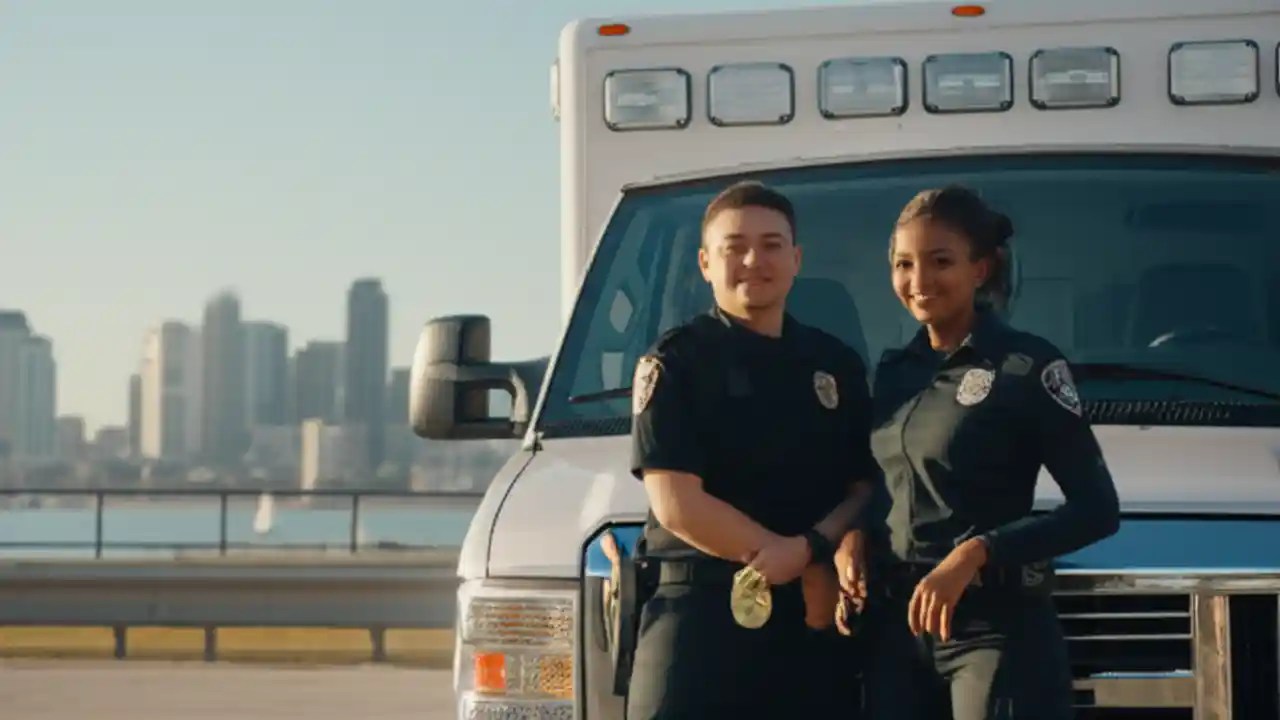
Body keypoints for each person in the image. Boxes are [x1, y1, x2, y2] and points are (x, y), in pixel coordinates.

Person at [838, 185, 1121, 719]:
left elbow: (1097, 509)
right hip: (898, 630)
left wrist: (976, 552)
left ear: (981, 269)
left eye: (940, 261)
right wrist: (855, 537)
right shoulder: (896, 372)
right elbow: (889, 487)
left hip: (995, 631)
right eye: (904, 264)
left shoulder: (1026, 366)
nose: (918, 282)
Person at [626, 180, 876, 718]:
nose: (752, 260)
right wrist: (782, 556)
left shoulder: (837, 364)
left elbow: (865, 488)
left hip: (814, 618)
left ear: (795, 258)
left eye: (770, 244)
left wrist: (810, 549)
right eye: (733, 246)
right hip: (699, 615)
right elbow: (675, 503)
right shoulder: (675, 363)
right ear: (705, 263)